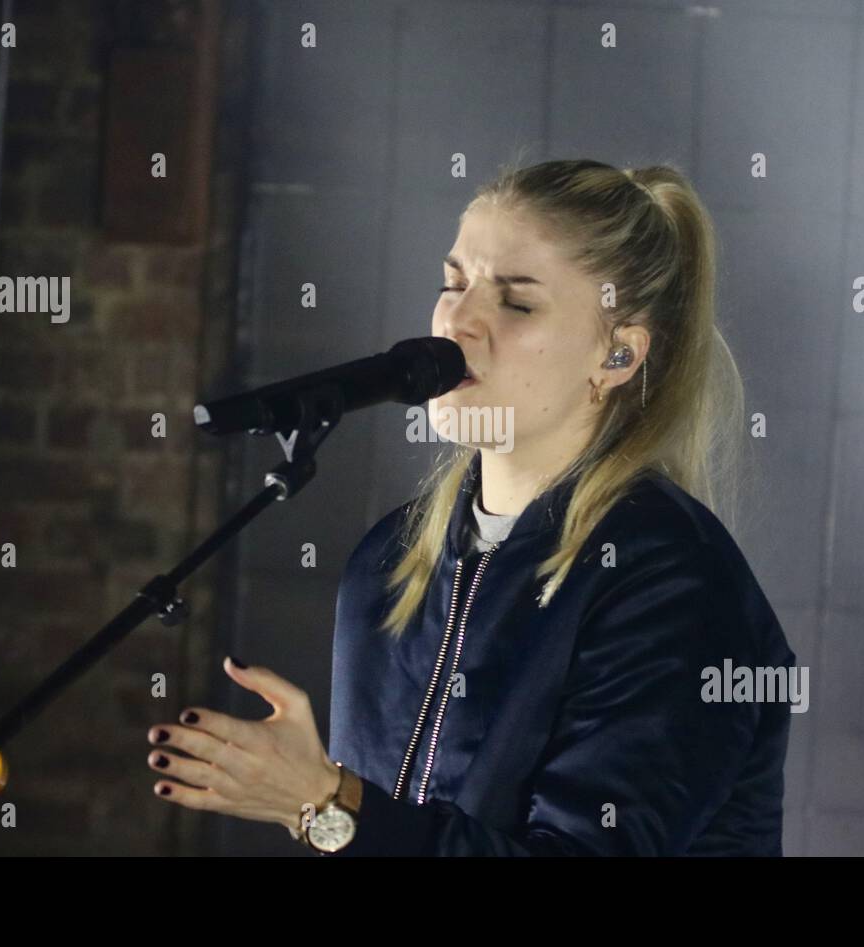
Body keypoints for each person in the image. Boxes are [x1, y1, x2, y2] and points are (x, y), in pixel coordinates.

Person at [145, 158, 797, 856]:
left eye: (516, 302)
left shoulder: (672, 583)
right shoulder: (387, 564)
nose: (457, 320)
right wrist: (327, 807)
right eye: (452, 284)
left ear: (617, 355)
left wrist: (325, 802)